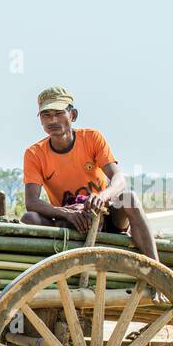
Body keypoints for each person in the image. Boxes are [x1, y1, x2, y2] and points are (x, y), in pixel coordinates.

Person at [21, 86, 158, 261]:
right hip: (68, 222)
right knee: (29, 218)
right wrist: (66, 213)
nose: (52, 120)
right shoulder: (34, 153)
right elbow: (31, 202)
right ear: (40, 120)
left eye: (59, 113)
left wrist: (102, 197)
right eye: (46, 115)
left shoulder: (92, 138)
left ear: (73, 115)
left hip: (106, 217)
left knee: (129, 198)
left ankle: (157, 270)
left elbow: (119, 179)